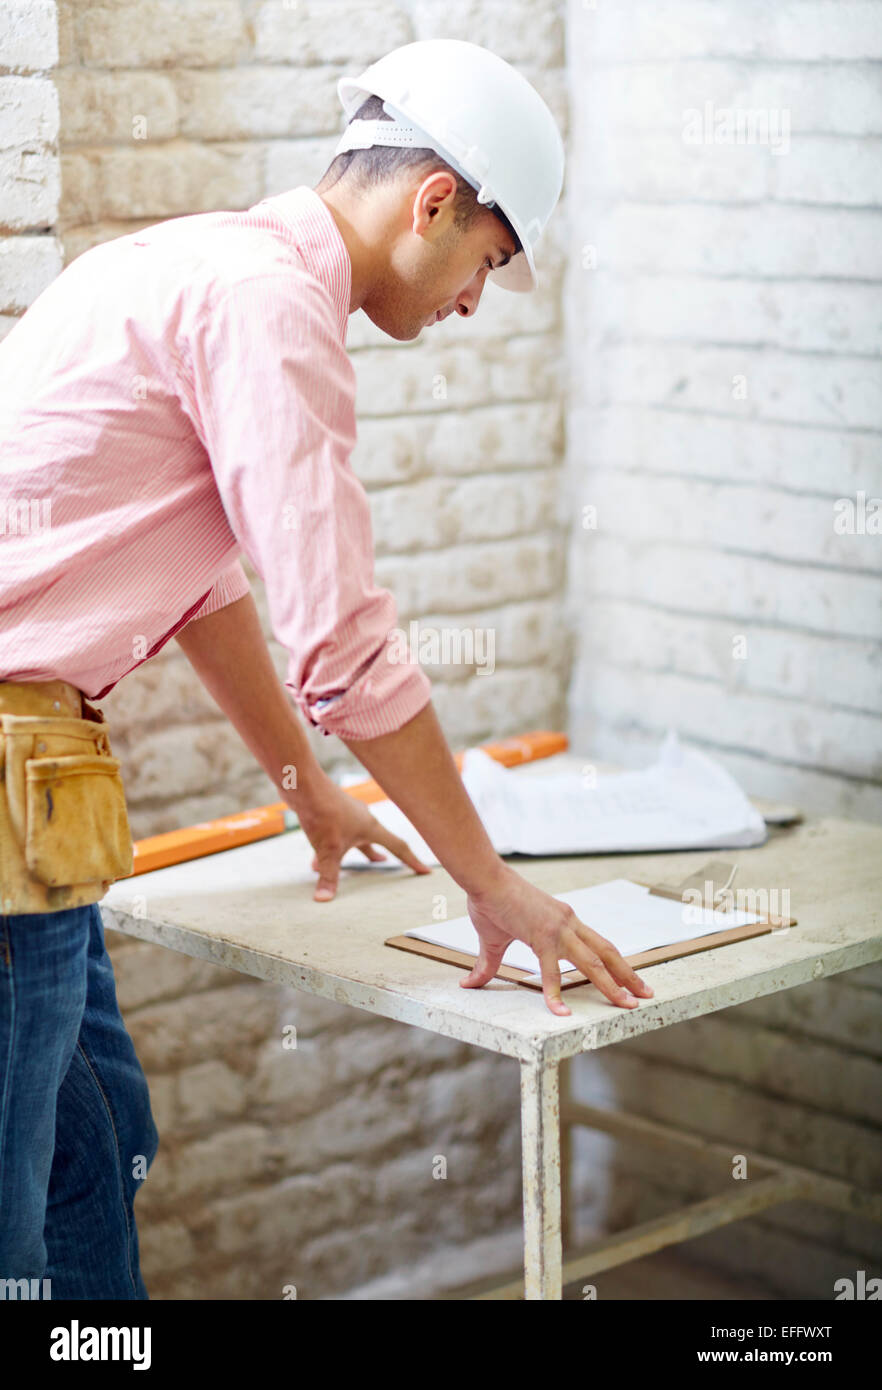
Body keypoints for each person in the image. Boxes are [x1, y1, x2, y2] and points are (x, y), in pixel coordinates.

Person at [0, 39, 652, 1299]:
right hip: (10, 781)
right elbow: (347, 650)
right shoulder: (270, 310)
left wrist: (310, 790)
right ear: (434, 202)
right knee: (12, 1238)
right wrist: (493, 883)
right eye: (488, 264)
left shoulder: (185, 262)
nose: (472, 302)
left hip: (39, 799)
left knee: (99, 1154)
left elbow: (200, 581)